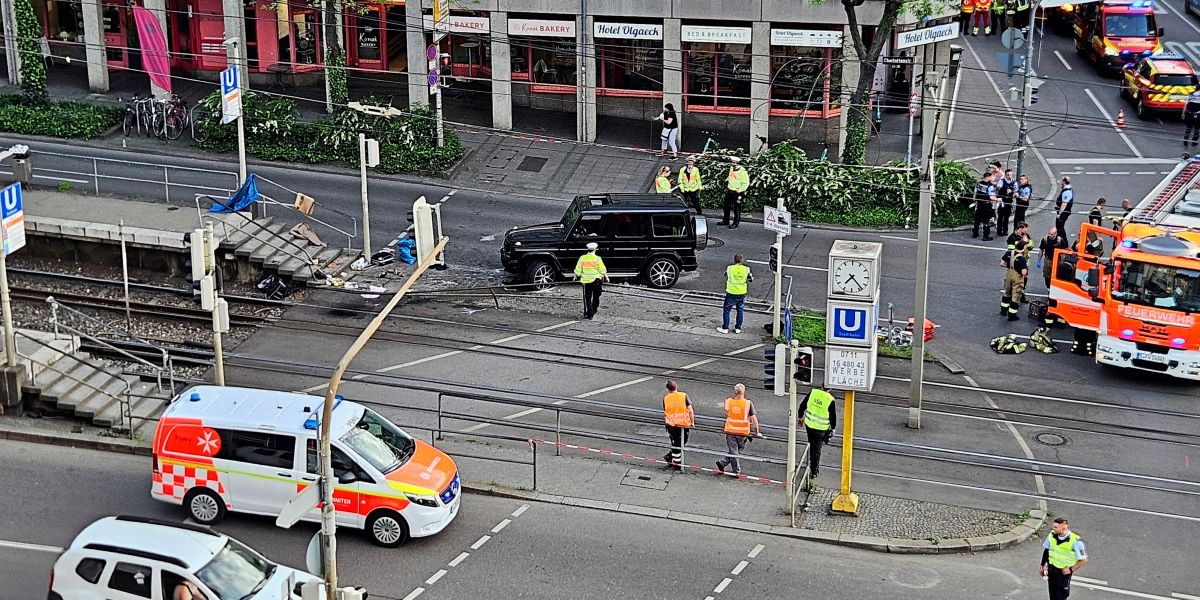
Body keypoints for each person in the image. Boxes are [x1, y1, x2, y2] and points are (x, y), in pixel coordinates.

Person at [715, 383, 762, 475]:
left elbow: (727, 409)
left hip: (730, 430)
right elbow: (754, 419)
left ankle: (722, 463)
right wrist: (757, 432)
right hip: (742, 432)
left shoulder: (729, 401)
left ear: (735, 392)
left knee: (734, 451)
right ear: (744, 392)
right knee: (735, 451)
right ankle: (737, 471)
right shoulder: (748, 403)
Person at [1039, 517, 1087, 600]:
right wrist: (1042, 565)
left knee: (1061, 597)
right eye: (1053, 526)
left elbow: (1083, 560)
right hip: (1052, 570)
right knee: (1053, 596)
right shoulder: (1052, 535)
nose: (1053, 528)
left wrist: (1071, 569)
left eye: (1056, 527)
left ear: (1064, 527)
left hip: (1063, 573)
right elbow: (1047, 550)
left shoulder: (1075, 541)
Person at [798, 384, 837, 479]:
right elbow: (833, 416)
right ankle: (814, 471)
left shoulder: (813, 392)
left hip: (809, 425)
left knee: (811, 444)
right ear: (830, 388)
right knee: (816, 450)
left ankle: (811, 462)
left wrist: (800, 417)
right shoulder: (830, 399)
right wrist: (833, 428)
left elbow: (802, 405)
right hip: (821, 429)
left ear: (822, 386)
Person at [661, 380, 694, 468]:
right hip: (683, 424)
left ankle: (672, 458)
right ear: (676, 386)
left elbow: (665, 412)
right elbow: (690, 411)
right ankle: (677, 463)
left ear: (668, 389)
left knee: (675, 442)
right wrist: (692, 422)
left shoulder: (666, 398)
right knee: (682, 442)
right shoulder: (684, 396)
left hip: (671, 425)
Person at [718, 254, 753, 334]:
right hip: (741, 292)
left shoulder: (730, 268)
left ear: (734, 260)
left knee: (727, 310)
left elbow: (725, 275)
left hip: (731, 292)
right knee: (740, 310)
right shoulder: (746, 269)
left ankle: (725, 328)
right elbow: (750, 279)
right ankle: (738, 328)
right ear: (742, 260)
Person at [573, 241, 608, 319]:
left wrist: (576, 276)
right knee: (597, 295)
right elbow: (602, 269)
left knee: (588, 297)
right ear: (595, 249)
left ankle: (589, 314)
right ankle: (594, 309)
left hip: (586, 280)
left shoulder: (582, 258)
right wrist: (606, 277)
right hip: (596, 280)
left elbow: (578, 269)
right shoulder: (597, 258)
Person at [1001, 240, 1029, 321]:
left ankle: (1003, 310)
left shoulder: (1009, 253)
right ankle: (1012, 315)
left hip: (1009, 275)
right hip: (1017, 277)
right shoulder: (1021, 258)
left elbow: (1002, 263)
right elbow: (1024, 272)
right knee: (1015, 297)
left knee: (1006, 293)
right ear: (1023, 248)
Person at [721, 157, 750, 229]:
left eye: (732, 162)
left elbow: (746, 183)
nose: (731, 164)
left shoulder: (743, 172)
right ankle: (726, 220)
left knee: (736, 208)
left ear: (736, 163)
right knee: (726, 206)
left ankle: (736, 223)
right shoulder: (732, 168)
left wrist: (740, 190)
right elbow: (730, 177)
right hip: (730, 190)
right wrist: (727, 180)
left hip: (738, 192)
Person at [972, 172, 998, 241]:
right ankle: (985, 236)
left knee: (977, 219)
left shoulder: (978, 183)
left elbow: (975, 193)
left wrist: (974, 200)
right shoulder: (990, 186)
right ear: (988, 177)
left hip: (979, 204)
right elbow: (992, 197)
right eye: (991, 177)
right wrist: (998, 199)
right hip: (986, 205)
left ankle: (975, 233)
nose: (992, 178)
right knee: (986, 220)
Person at [995, 168, 1016, 236]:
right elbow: (998, 187)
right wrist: (998, 188)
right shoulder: (1002, 181)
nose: (1009, 176)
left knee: (1007, 217)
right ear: (1005, 175)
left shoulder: (1014, 182)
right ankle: (999, 230)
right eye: (1008, 175)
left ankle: (1005, 230)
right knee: (1000, 216)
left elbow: (1016, 190)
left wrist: (1013, 192)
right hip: (1002, 201)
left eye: (1010, 175)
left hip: (1009, 201)